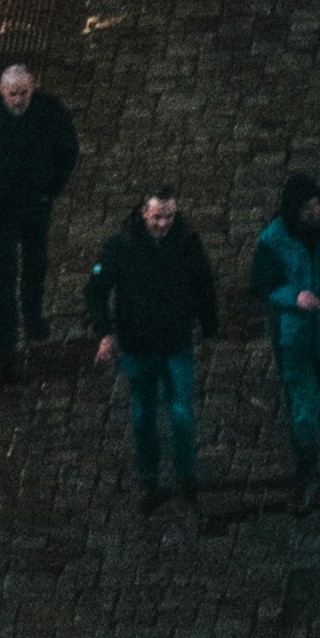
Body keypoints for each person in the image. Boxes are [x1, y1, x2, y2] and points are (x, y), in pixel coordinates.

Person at [90, 188, 221, 506]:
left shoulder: (187, 243)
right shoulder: (121, 246)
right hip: (138, 347)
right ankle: (149, 480)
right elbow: (96, 290)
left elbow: (204, 285)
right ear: (144, 214)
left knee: (181, 416)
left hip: (176, 344)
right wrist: (106, 333)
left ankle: (185, 478)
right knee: (143, 416)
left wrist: (209, 327)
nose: (164, 224)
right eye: (158, 217)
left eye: (170, 216)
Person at [0, 57, 80, 372]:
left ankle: (31, 316)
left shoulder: (48, 111)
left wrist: (49, 189)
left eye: (23, 93)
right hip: (0, 206)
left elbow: (68, 150)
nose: (18, 100)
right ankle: (6, 338)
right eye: (12, 94)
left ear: (32, 89)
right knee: (3, 271)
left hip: (34, 204)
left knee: (35, 261)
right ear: (2, 93)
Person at [250, 172, 320, 502]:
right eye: (306, 208)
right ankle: (307, 470)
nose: (313, 213)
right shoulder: (272, 240)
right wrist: (294, 296)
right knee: (303, 407)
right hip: (294, 339)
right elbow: (263, 284)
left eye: (316, 205)